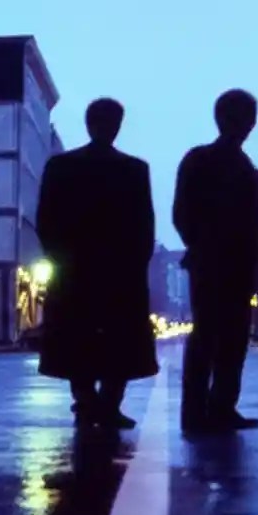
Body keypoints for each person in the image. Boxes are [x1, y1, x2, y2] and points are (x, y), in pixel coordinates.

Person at [36, 98, 159, 429]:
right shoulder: (134, 169)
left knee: (77, 338)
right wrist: (135, 263)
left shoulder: (62, 166)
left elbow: (46, 218)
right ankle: (107, 403)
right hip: (119, 272)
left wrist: (59, 257)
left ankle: (88, 400)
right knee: (119, 341)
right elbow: (144, 224)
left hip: (76, 270)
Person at [173, 89, 258, 433]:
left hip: (223, 261)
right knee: (218, 336)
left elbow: (182, 212)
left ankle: (210, 408)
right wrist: (204, 244)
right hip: (221, 261)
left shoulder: (209, 161)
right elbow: (183, 213)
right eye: (244, 118)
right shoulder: (234, 166)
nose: (247, 126)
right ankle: (210, 408)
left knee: (222, 337)